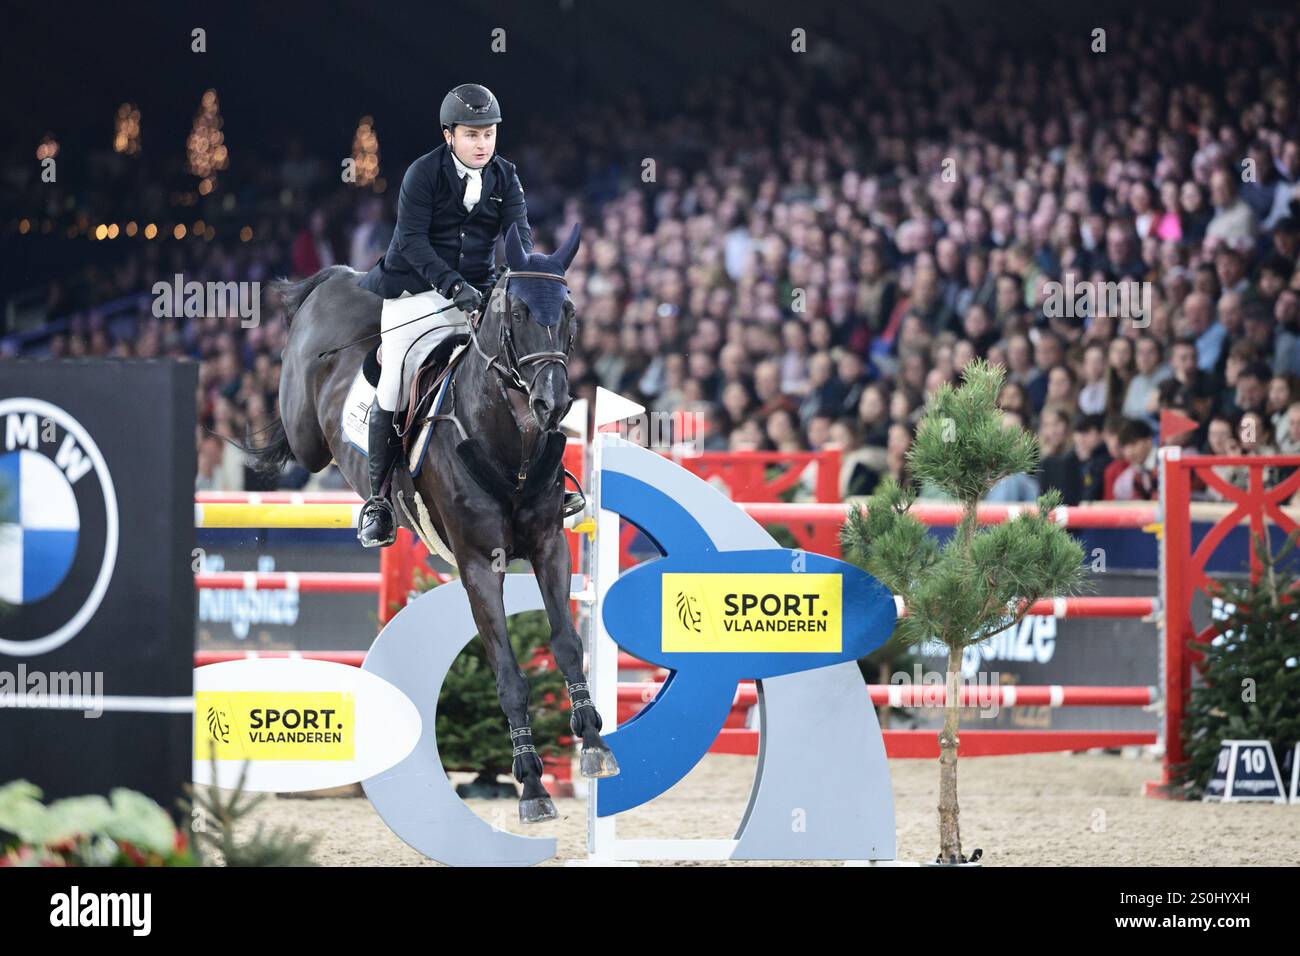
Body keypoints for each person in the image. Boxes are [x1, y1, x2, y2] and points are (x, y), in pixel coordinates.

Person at [355, 83, 536, 547]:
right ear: (449, 134)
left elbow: (519, 238)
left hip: (476, 290)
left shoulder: (506, 177)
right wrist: (455, 287)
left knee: (520, 363)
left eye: (489, 134)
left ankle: (538, 479)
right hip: (414, 290)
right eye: (472, 135)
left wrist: (524, 278)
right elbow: (412, 243)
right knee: (396, 377)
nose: (482, 144)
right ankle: (377, 502)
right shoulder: (423, 173)